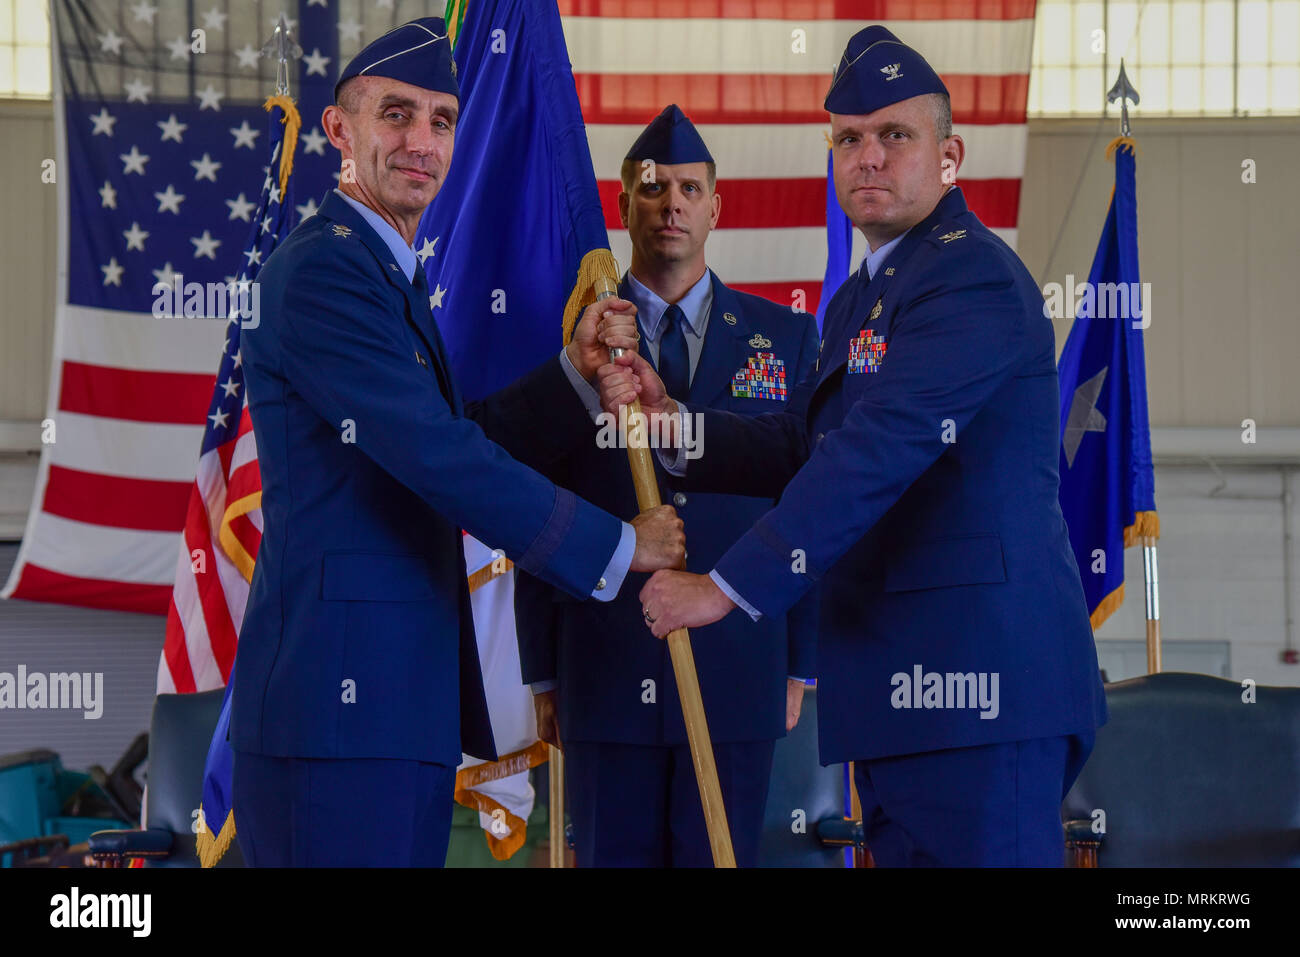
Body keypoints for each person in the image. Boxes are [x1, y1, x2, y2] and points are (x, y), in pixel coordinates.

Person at [599, 26, 1107, 867]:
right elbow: (808, 439)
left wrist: (721, 587)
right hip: (896, 692)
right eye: (848, 139)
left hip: (980, 692)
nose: (867, 157)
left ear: (950, 156)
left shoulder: (971, 277)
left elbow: (873, 451)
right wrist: (673, 424)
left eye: (894, 135)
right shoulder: (864, 295)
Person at [229, 18, 684, 867]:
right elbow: (441, 458)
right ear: (339, 129)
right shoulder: (324, 270)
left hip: (395, 710)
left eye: (441, 121)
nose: (422, 142)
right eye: (396, 114)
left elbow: (445, 436)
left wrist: (575, 373)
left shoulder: (388, 270)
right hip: (335, 719)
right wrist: (619, 546)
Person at [514, 105, 820, 867]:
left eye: (689, 188)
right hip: (604, 661)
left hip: (738, 658)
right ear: (623, 206)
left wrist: (800, 659)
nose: (671, 204)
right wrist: (541, 669)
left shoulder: (786, 337)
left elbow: (814, 500)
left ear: (717, 206)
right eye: (652, 189)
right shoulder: (573, 342)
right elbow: (534, 501)